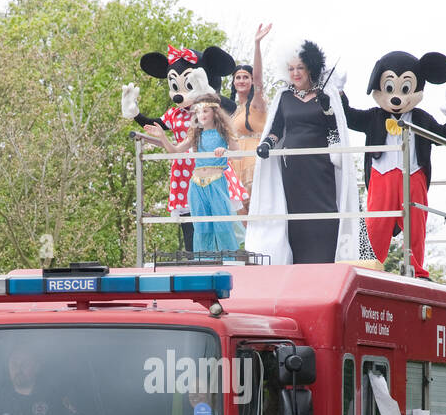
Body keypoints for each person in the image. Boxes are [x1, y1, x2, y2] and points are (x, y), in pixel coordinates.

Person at [245, 39, 361, 265]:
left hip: (320, 167)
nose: (295, 73)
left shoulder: (326, 95)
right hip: (293, 169)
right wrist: (267, 144)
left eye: (300, 68)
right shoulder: (284, 97)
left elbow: (336, 132)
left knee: (325, 215)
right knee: (295, 217)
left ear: (310, 68)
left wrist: (328, 109)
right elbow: (276, 129)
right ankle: (298, 264)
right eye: (291, 69)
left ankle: (327, 261)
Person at [151, 96, 247, 253]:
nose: (201, 115)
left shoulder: (225, 133)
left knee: (222, 224)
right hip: (196, 184)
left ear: (215, 112)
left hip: (216, 182)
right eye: (198, 112)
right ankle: (205, 260)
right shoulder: (195, 134)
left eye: (205, 111)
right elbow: (175, 150)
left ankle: (229, 259)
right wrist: (162, 136)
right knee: (201, 226)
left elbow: (238, 155)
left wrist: (226, 152)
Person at [228, 22, 272, 199]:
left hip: (253, 162)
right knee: (240, 216)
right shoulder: (232, 110)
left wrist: (257, 45)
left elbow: (260, 81)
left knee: (254, 209)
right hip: (234, 163)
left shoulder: (257, 103)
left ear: (251, 80)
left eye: (245, 77)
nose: (241, 80)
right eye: (237, 77)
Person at [0, 343, 61, 415]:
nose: (18, 368)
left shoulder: (54, 398)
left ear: (37, 367)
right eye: (14, 363)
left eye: (25, 363)